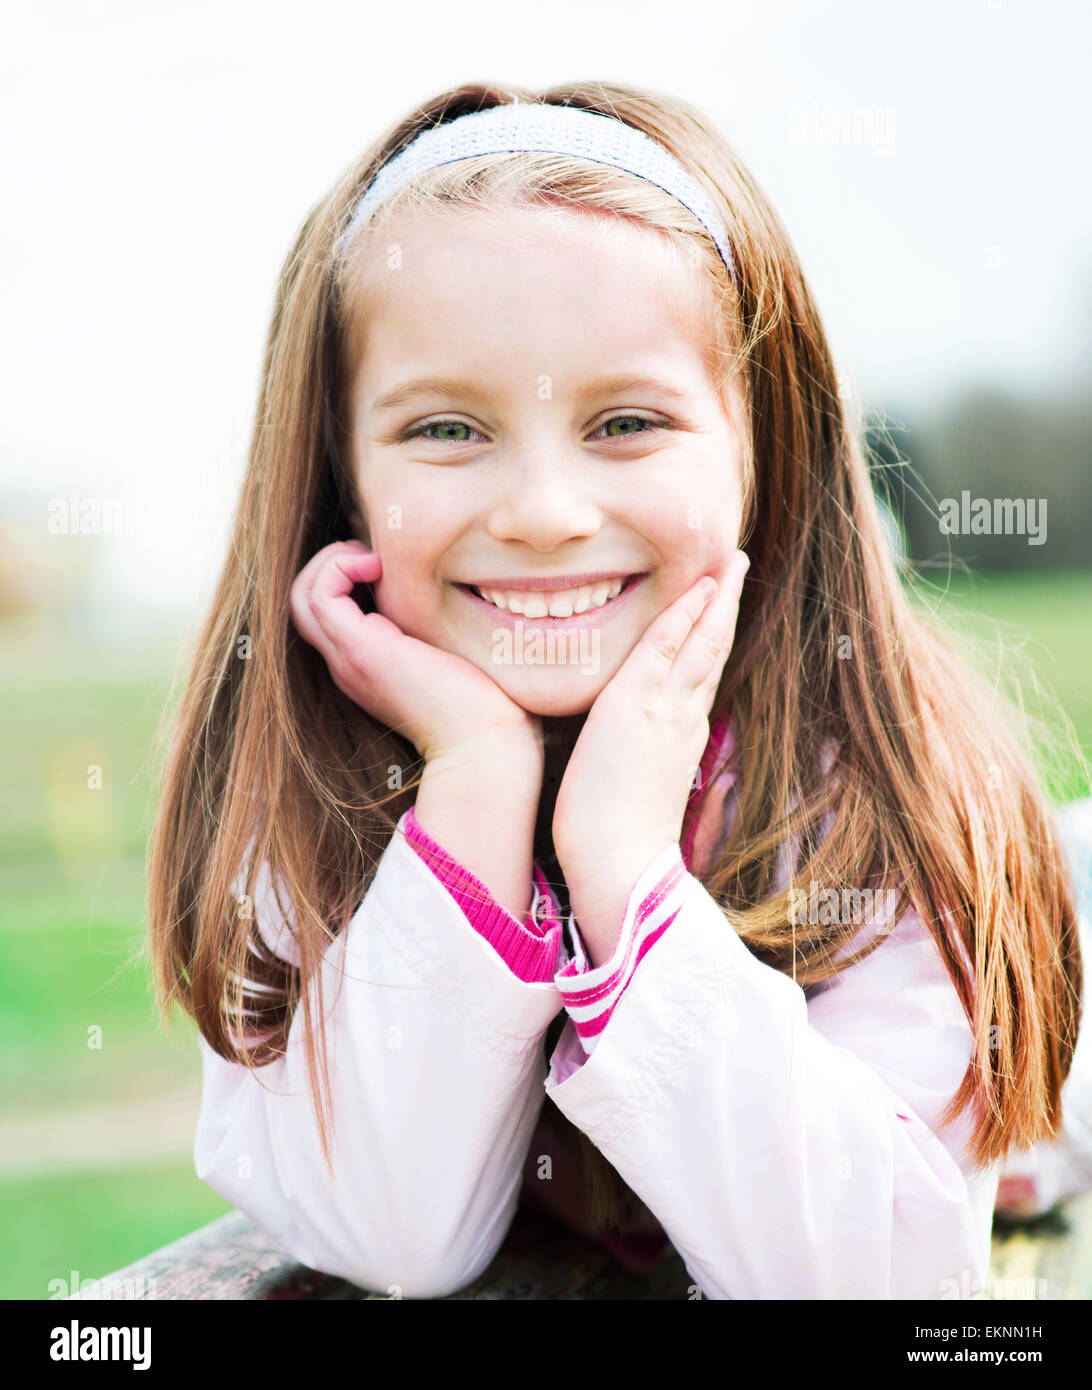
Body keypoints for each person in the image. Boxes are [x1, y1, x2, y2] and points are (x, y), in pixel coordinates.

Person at [147, 81, 1087, 1299]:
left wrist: (626, 872)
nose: (543, 513)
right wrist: (479, 779)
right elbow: (391, 1233)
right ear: (336, 469)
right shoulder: (310, 791)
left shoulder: (890, 789)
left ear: (766, 449)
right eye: (444, 429)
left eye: (628, 421)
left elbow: (881, 1281)